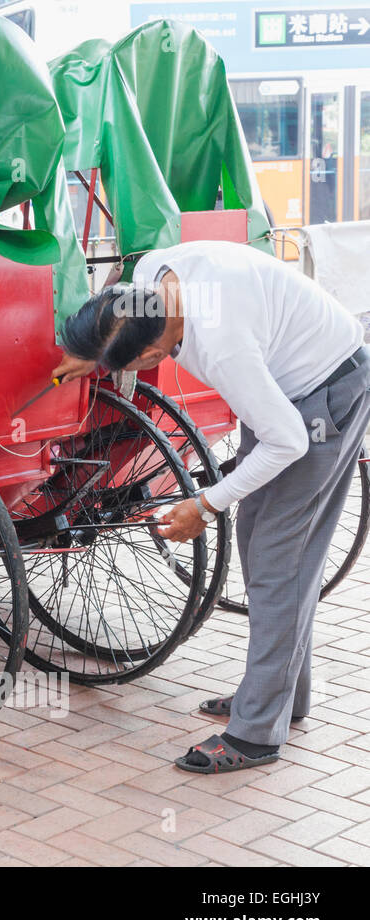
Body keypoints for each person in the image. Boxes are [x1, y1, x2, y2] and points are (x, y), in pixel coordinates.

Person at [53, 239, 370, 773]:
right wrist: (91, 350)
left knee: (279, 561)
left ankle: (255, 735)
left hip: (323, 397)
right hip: (285, 386)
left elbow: (288, 442)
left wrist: (204, 504)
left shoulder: (221, 344)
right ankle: (281, 696)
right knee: (264, 549)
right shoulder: (154, 274)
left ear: (153, 358)